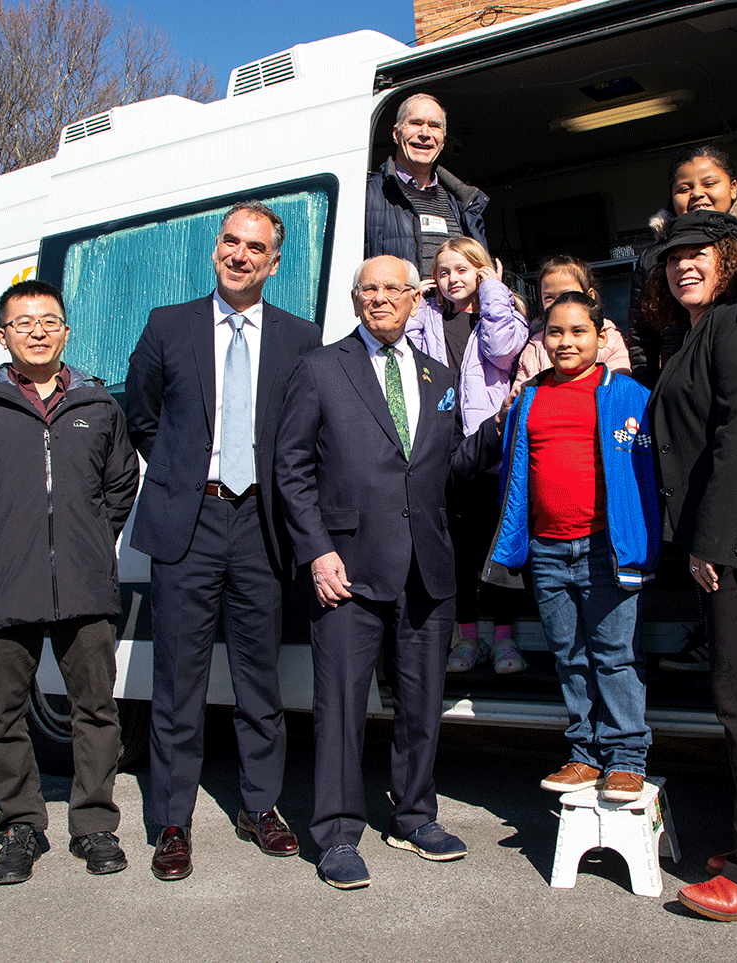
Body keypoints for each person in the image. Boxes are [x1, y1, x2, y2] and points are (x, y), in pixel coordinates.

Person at [274, 254, 504, 890]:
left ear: (414, 299)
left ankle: (415, 815)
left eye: (392, 289)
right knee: (342, 707)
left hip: (426, 566)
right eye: (368, 289)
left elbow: (448, 467)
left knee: (422, 703)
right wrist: (317, 551)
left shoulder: (437, 373)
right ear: (355, 301)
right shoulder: (320, 369)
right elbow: (291, 468)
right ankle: (337, 834)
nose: (379, 299)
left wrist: (502, 422)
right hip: (345, 568)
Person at [124, 201, 322, 880]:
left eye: (254, 247)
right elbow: (142, 416)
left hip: (261, 525)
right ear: (216, 248)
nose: (239, 255)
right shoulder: (167, 325)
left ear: (274, 262)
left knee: (259, 678)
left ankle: (259, 805)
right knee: (177, 683)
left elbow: (304, 432)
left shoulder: (301, 338)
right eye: (231, 242)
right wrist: (184, 474)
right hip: (190, 521)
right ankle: (171, 821)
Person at [0, 279, 139, 885]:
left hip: (84, 587)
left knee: (96, 711)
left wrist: (89, 539)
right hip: (3, 591)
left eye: (49, 321)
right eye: (23, 323)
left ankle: (94, 826)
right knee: (1, 716)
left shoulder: (99, 407)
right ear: (3, 336)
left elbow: (120, 484)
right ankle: (21, 826)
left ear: (66, 331)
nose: (38, 332)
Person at [642, 209, 737, 924]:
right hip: (728, 542)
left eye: (698, 253)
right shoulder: (703, 329)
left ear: (730, 258)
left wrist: (712, 542)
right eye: (672, 258)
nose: (683, 266)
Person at [487, 290, 659, 801]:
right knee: (569, 655)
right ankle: (585, 754)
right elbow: (516, 476)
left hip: (606, 548)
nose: (566, 342)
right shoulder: (529, 398)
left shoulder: (628, 395)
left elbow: (648, 477)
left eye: (578, 331)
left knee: (616, 655)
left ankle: (626, 758)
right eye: (555, 331)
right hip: (547, 550)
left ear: (601, 336)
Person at [405, 236, 528, 674]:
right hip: (443, 445)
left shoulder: (502, 315)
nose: (451, 279)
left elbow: (502, 349)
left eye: (462, 270)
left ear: (480, 271)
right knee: (457, 545)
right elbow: (409, 358)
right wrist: (415, 308)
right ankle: (468, 637)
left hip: (490, 446)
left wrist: (493, 289)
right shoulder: (430, 318)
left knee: (497, 544)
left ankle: (505, 638)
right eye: (443, 272)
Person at [628, 144, 737, 389]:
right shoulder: (653, 257)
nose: (697, 194)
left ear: (733, 187)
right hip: (680, 386)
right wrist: (651, 395)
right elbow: (642, 341)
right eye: (684, 189)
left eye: (709, 183)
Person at [365, 93, 489, 278]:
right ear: (396, 134)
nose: (425, 133)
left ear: (443, 140)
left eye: (434, 126)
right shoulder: (366, 195)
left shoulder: (464, 204)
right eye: (415, 123)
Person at [511, 255, 632, 390]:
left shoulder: (611, 339)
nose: (559, 303)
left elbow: (620, 386)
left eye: (568, 294)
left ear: (590, 295)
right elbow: (520, 396)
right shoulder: (534, 348)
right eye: (549, 297)